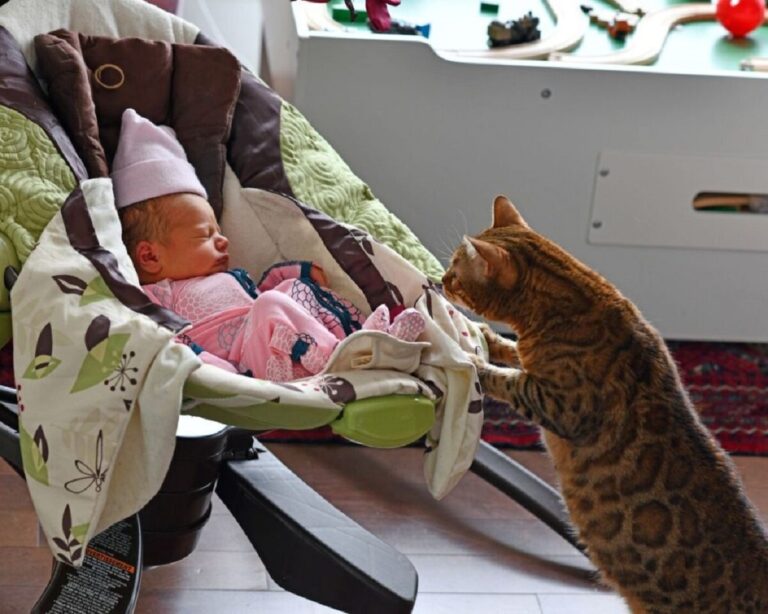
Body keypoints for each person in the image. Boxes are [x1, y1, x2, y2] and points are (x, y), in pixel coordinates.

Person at [111, 108, 424, 381]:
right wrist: (219, 374)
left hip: (280, 343)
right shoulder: (155, 297)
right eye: (206, 235)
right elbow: (164, 340)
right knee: (270, 304)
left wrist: (292, 274)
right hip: (254, 365)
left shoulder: (228, 278)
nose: (223, 240)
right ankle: (348, 358)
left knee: (284, 293)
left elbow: (259, 292)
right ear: (151, 256)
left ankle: (364, 340)